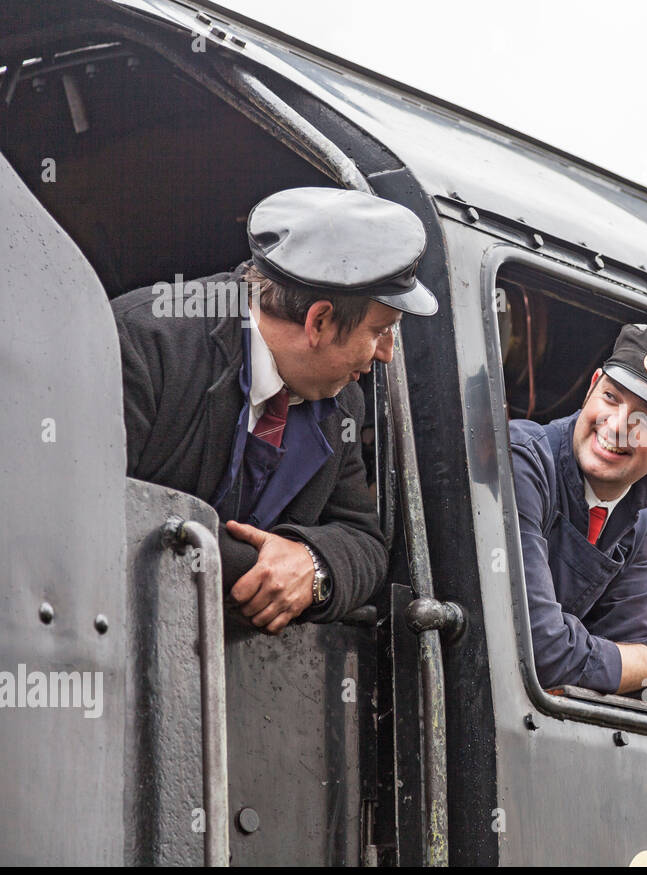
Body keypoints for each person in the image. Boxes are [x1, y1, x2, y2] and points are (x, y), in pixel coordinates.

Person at [113, 186, 438, 635]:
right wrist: (258, 565)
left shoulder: (344, 402)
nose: (386, 354)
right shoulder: (144, 345)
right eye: (381, 331)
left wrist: (312, 563)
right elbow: (101, 508)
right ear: (318, 322)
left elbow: (363, 540)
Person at [509, 323, 647, 701]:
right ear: (592, 385)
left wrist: (643, 664)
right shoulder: (521, 461)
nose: (618, 426)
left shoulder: (636, 518)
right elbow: (538, 650)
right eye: (611, 397)